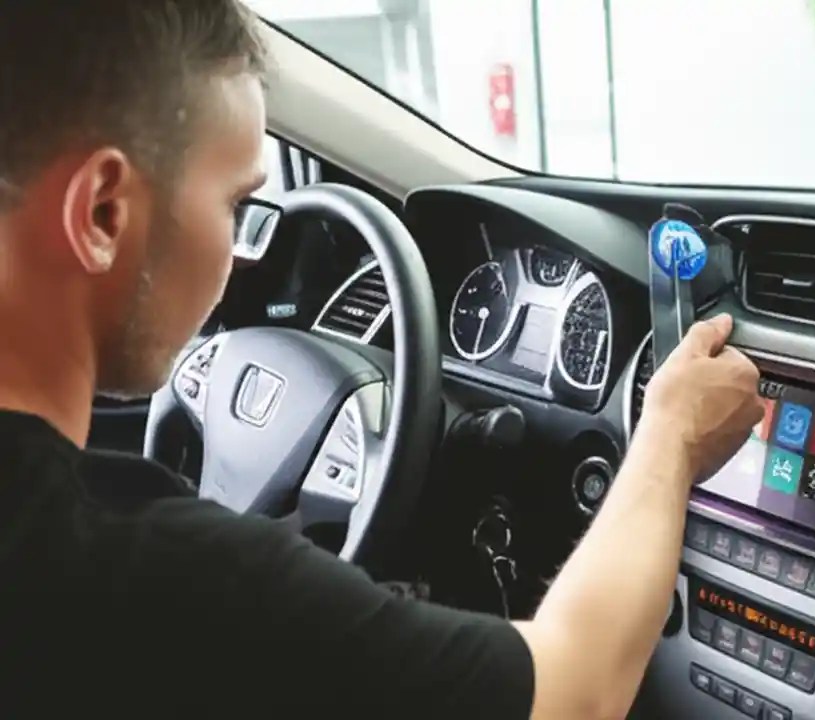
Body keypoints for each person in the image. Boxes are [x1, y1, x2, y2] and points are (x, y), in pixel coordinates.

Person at [0, 2, 764, 717]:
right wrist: (670, 435)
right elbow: (577, 688)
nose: (238, 252)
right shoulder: (157, 577)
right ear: (102, 213)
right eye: (235, 204)